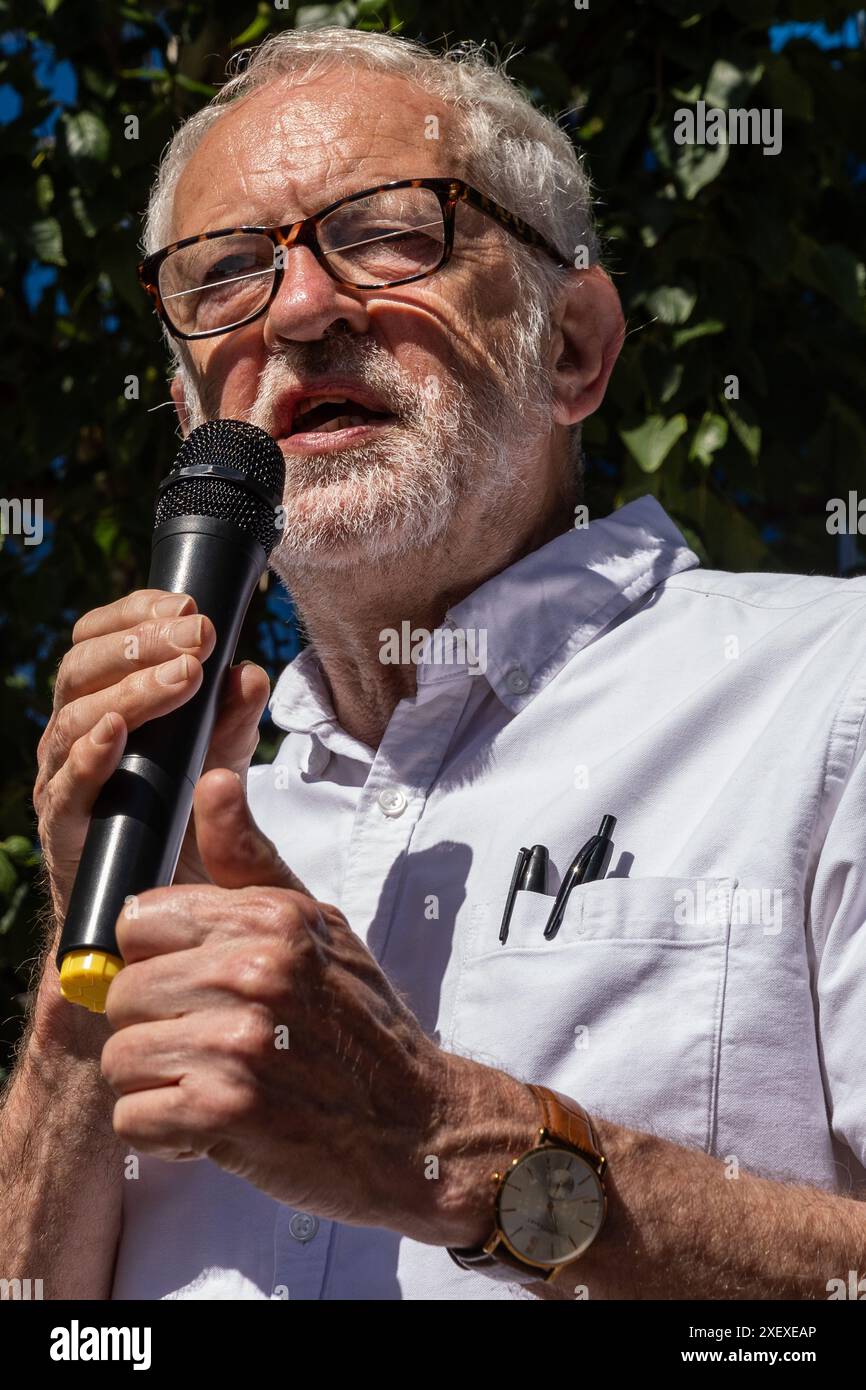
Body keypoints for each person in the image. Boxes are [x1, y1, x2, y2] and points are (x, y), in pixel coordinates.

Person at [2, 27, 865, 1302]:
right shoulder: (196, 809)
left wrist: (442, 1150)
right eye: (226, 271)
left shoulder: (826, 693)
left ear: (572, 344)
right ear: (195, 415)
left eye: (390, 232)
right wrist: (91, 978)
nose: (298, 310)